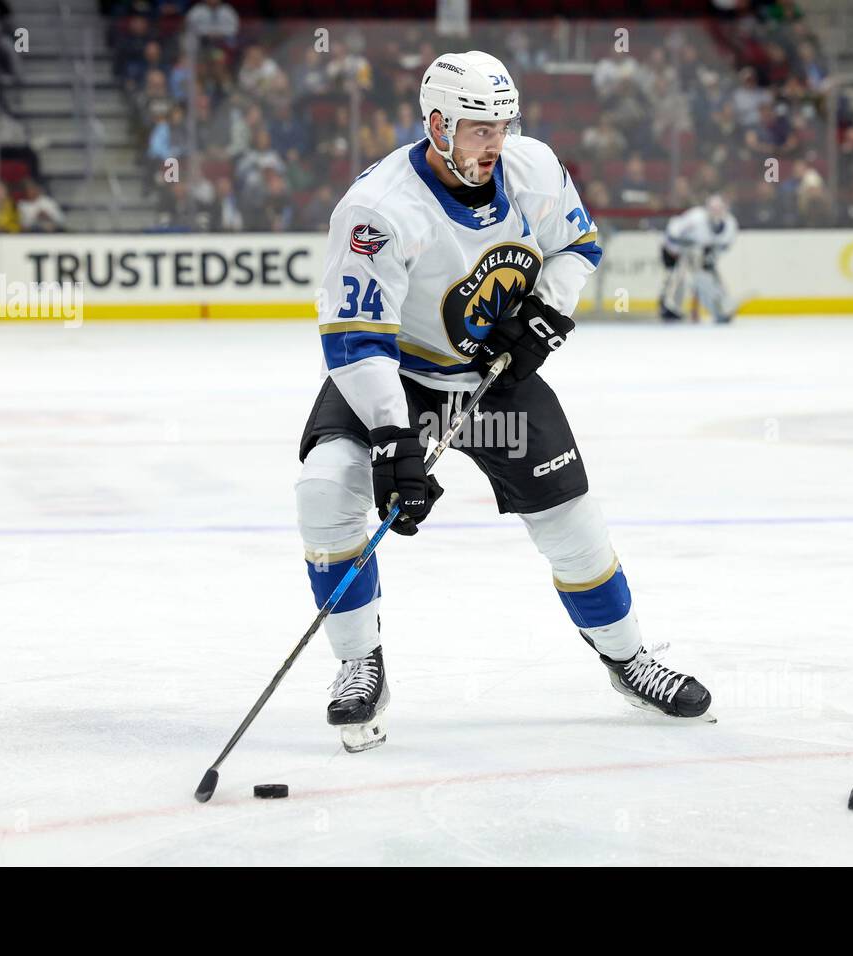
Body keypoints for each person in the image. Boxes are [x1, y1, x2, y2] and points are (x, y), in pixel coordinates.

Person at [296, 51, 714, 754]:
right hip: (399, 378)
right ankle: (357, 663)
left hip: (494, 382)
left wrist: (545, 311)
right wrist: (395, 440)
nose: (495, 143)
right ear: (437, 124)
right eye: (477, 129)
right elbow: (355, 343)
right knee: (324, 489)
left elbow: (578, 246)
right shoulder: (379, 210)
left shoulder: (534, 169)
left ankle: (628, 657)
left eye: (502, 126)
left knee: (573, 524)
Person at [659, 194, 739, 323]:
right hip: (678, 251)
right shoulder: (695, 218)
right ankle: (670, 305)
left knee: (709, 278)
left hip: (703, 253)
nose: (716, 214)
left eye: (720, 210)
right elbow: (673, 232)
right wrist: (683, 246)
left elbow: (724, 246)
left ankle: (719, 306)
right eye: (713, 210)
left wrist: (709, 257)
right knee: (682, 275)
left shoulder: (730, 224)